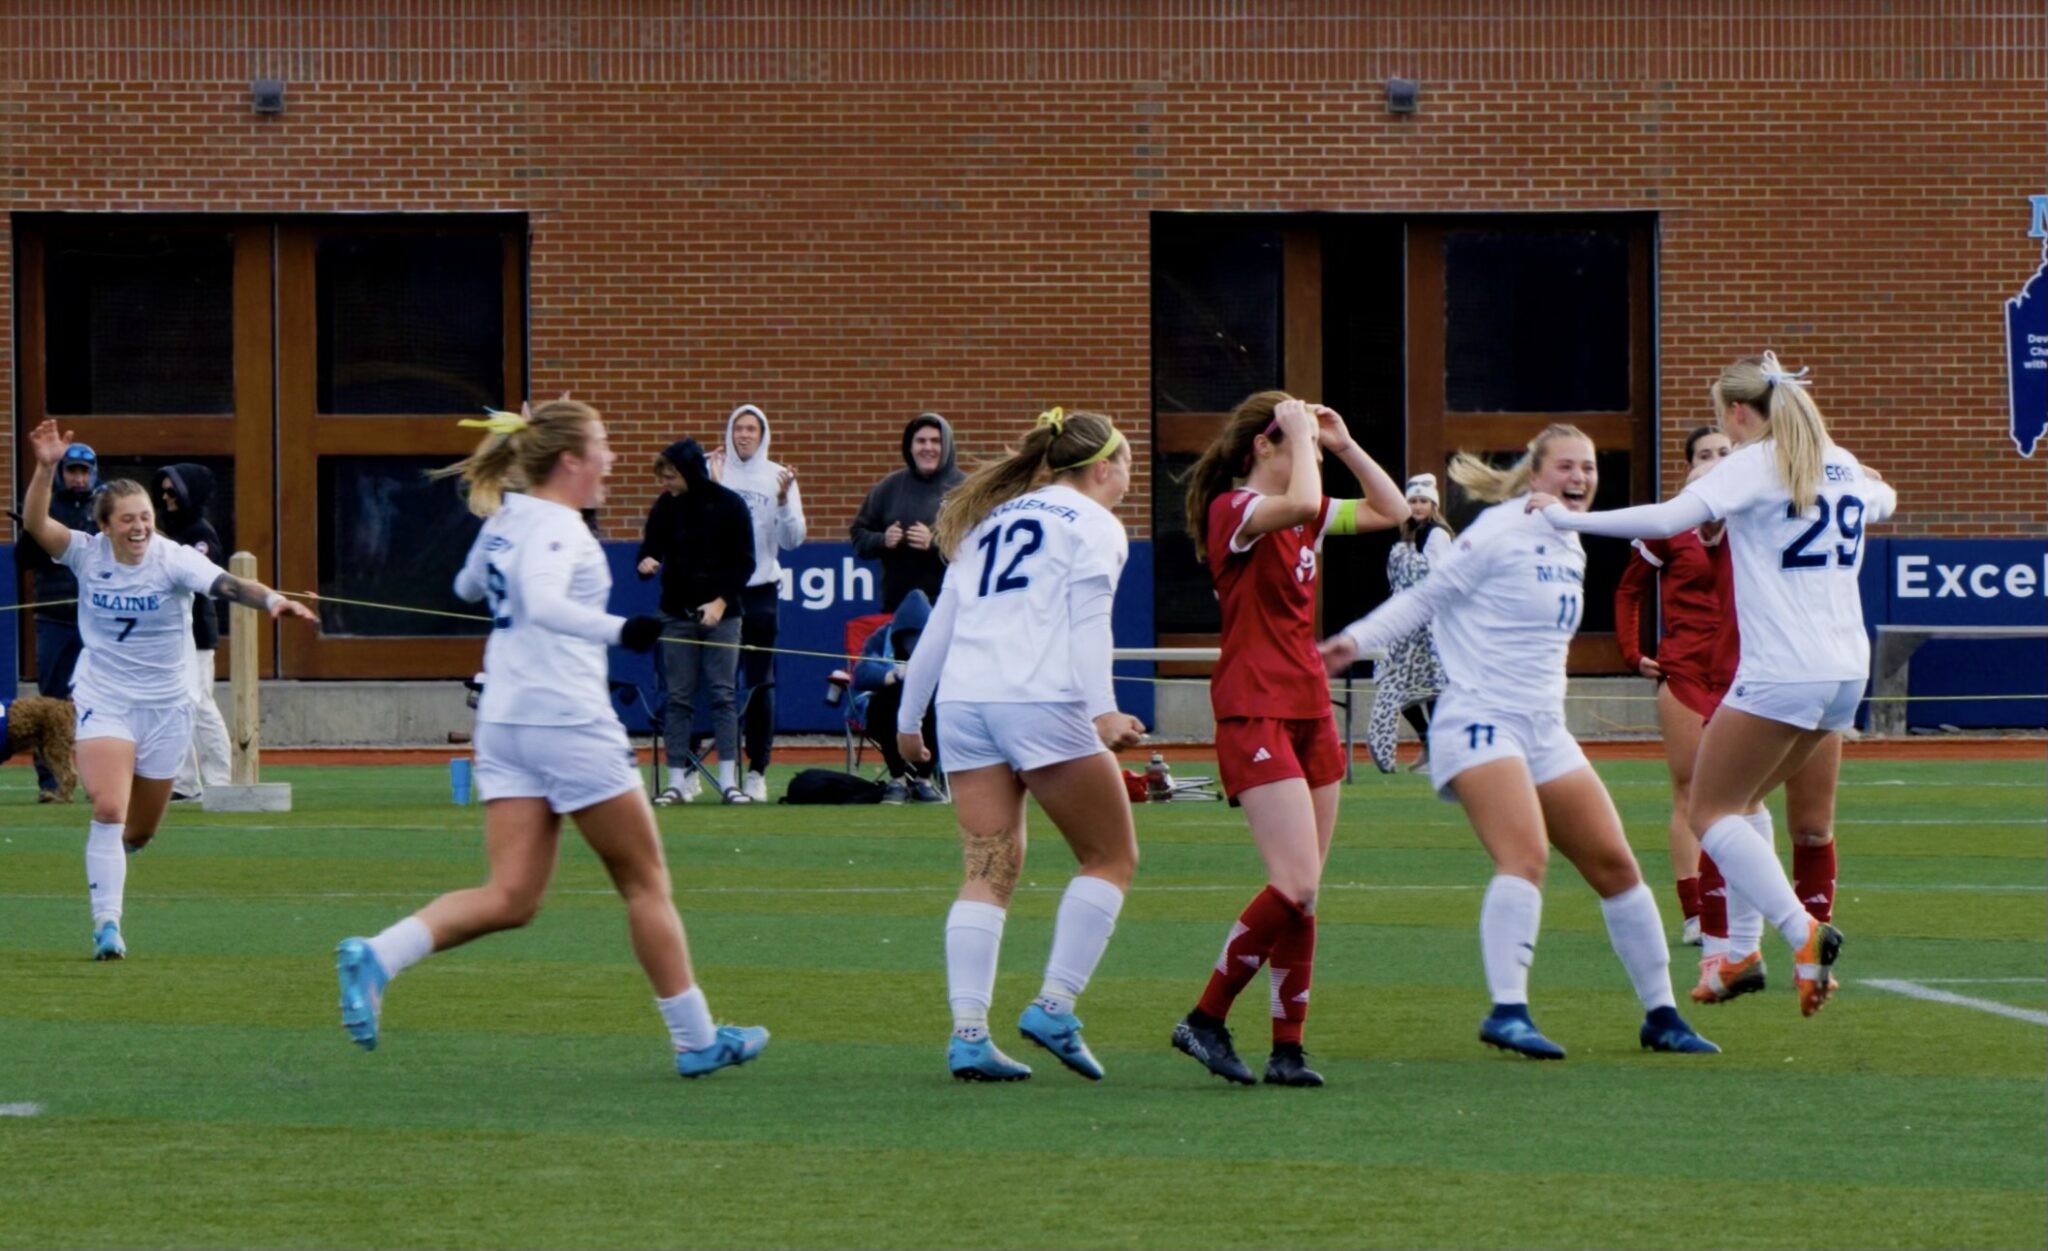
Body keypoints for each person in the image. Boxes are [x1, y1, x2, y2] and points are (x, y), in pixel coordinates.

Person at [335, 398, 769, 1078]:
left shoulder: (509, 518)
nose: (611, 459)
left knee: (512, 897)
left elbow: (467, 584)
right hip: (566, 720)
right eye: (602, 445)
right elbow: (540, 602)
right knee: (645, 882)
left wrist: (504, 530)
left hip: (504, 722)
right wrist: (621, 629)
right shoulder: (561, 525)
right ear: (570, 460)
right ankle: (696, 1039)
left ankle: (379, 955)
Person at [1322, 423, 1719, 1061]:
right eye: (1566, 466)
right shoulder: (1499, 530)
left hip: (1543, 728)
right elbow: (1428, 597)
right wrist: (1355, 641)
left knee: (1618, 868)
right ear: (1535, 474)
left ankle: (1663, 1016)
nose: (1580, 477)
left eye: (1589, 467)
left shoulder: (1571, 537)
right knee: (1525, 855)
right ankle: (1508, 1010)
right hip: (1481, 718)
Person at [1534, 352, 1891, 1017]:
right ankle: (1740, 955)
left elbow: (1665, 519)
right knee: (1745, 800)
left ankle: (1803, 930)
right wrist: (1869, 479)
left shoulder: (1754, 464)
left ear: (1736, 412)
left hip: (1782, 669)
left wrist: (1567, 519)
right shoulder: (1834, 460)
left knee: (1707, 811)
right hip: (1847, 670)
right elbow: (1885, 497)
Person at [894, 407, 1147, 1082]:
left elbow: (940, 627)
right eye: (1128, 465)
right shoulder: (1096, 523)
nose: (1130, 479)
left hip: (965, 705)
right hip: (1039, 701)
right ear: (1103, 468)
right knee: (1110, 857)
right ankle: (1055, 1006)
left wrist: (909, 718)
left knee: (987, 871)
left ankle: (969, 1035)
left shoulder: (989, 519)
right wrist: (1104, 712)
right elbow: (1089, 623)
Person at [1170, 391, 1408, 1087]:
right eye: (1291, 435)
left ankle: (1287, 1049)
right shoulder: (1236, 509)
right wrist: (1302, 435)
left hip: (1308, 706)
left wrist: (1344, 444)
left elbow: (1391, 510)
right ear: (1261, 446)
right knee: (1294, 880)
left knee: (1305, 892)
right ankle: (1204, 1018)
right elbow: (1302, 500)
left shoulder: (1302, 512)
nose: (1307, 446)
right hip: (1256, 707)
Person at [16, 419, 316, 961]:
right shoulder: (86, 553)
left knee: (138, 832)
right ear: (105, 526)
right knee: (109, 807)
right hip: (106, 699)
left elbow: (228, 583)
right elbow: (37, 524)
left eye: (146, 519)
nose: (139, 528)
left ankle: (117, 857)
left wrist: (273, 601)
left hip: (167, 707)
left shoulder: (173, 557)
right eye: (127, 520)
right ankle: (107, 925)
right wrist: (44, 468)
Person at [1613, 427, 1735, 944]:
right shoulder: (1672, 524)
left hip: (1742, 672)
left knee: (1742, 798)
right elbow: (1629, 590)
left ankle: (1737, 907)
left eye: (1724, 452)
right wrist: (1632, 652)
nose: (1715, 460)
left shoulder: (1757, 519)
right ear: (1689, 468)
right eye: (1704, 454)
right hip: (1685, 670)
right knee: (1689, 792)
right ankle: (1695, 913)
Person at [692, 403, 805, 803]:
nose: (744, 435)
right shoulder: (711, 469)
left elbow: (793, 540)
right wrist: (711, 488)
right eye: (738, 428)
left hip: (760, 593)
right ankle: (690, 768)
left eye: (751, 429)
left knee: (760, 684)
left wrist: (783, 502)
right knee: (706, 680)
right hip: (717, 591)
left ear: (762, 434)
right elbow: (696, 532)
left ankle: (757, 771)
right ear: (729, 431)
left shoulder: (778, 476)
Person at [635, 439, 755, 805]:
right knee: (678, 696)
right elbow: (650, 547)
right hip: (675, 615)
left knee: (723, 695)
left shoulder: (730, 505)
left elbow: (744, 562)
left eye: (671, 476)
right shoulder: (665, 506)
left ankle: (729, 782)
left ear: (689, 472)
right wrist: (646, 562)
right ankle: (676, 782)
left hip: (723, 615)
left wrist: (720, 603)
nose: (666, 483)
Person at [10, 440, 98, 801]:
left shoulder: (102, 508)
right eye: (72, 471)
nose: (78, 478)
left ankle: (97, 778)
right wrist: (34, 537)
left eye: (83, 471)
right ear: (63, 474)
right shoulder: (47, 506)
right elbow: (23, 561)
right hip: (53, 618)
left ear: (93, 473)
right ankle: (50, 782)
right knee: (50, 700)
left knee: (97, 700)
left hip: (94, 620)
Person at [151, 463, 233, 803]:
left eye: (172, 492)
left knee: (199, 704)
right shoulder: (170, 528)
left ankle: (220, 781)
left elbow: (204, 579)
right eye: (163, 491)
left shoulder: (199, 533)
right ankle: (184, 782)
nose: (165, 498)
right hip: (169, 631)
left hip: (196, 630)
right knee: (174, 705)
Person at [1364, 473, 1453, 774]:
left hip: (1427, 620)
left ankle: (1438, 750)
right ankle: (1428, 742)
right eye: (1413, 500)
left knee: (1432, 684)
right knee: (1394, 681)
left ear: (1433, 505)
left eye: (1423, 501)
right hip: (1403, 619)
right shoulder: (1407, 535)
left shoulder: (1438, 535)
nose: (1417, 506)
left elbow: (1435, 576)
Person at [850, 412, 965, 612]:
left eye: (936, 441)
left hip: (951, 609)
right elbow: (859, 535)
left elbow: (980, 545)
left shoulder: (966, 489)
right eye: (921, 441)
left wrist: (935, 542)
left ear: (947, 446)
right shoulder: (889, 487)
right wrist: (883, 540)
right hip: (897, 609)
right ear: (910, 447)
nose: (928, 447)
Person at [851, 589, 944, 804]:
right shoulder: (880, 638)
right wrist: (894, 674)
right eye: (907, 637)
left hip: (929, 713)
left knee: (941, 704)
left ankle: (923, 779)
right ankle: (897, 779)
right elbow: (861, 675)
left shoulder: (942, 638)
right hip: (885, 715)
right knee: (888, 700)